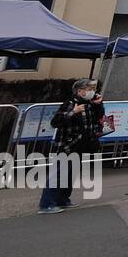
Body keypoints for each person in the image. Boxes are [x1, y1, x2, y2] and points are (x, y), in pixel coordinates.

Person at [39, 79, 105, 215]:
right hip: (67, 145)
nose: (92, 91)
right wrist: (73, 112)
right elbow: (55, 122)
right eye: (89, 89)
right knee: (58, 174)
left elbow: (98, 117)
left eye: (93, 88)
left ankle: (62, 199)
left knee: (69, 174)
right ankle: (47, 203)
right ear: (80, 91)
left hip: (80, 145)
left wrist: (98, 105)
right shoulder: (70, 104)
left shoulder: (90, 104)